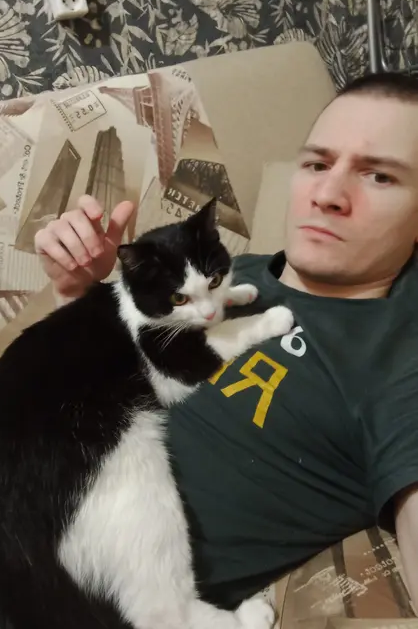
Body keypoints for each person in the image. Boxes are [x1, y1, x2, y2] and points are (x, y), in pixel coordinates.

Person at [34, 71, 418, 612]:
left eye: (379, 176)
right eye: (317, 164)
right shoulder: (227, 273)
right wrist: (76, 293)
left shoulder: (396, 359)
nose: (328, 195)